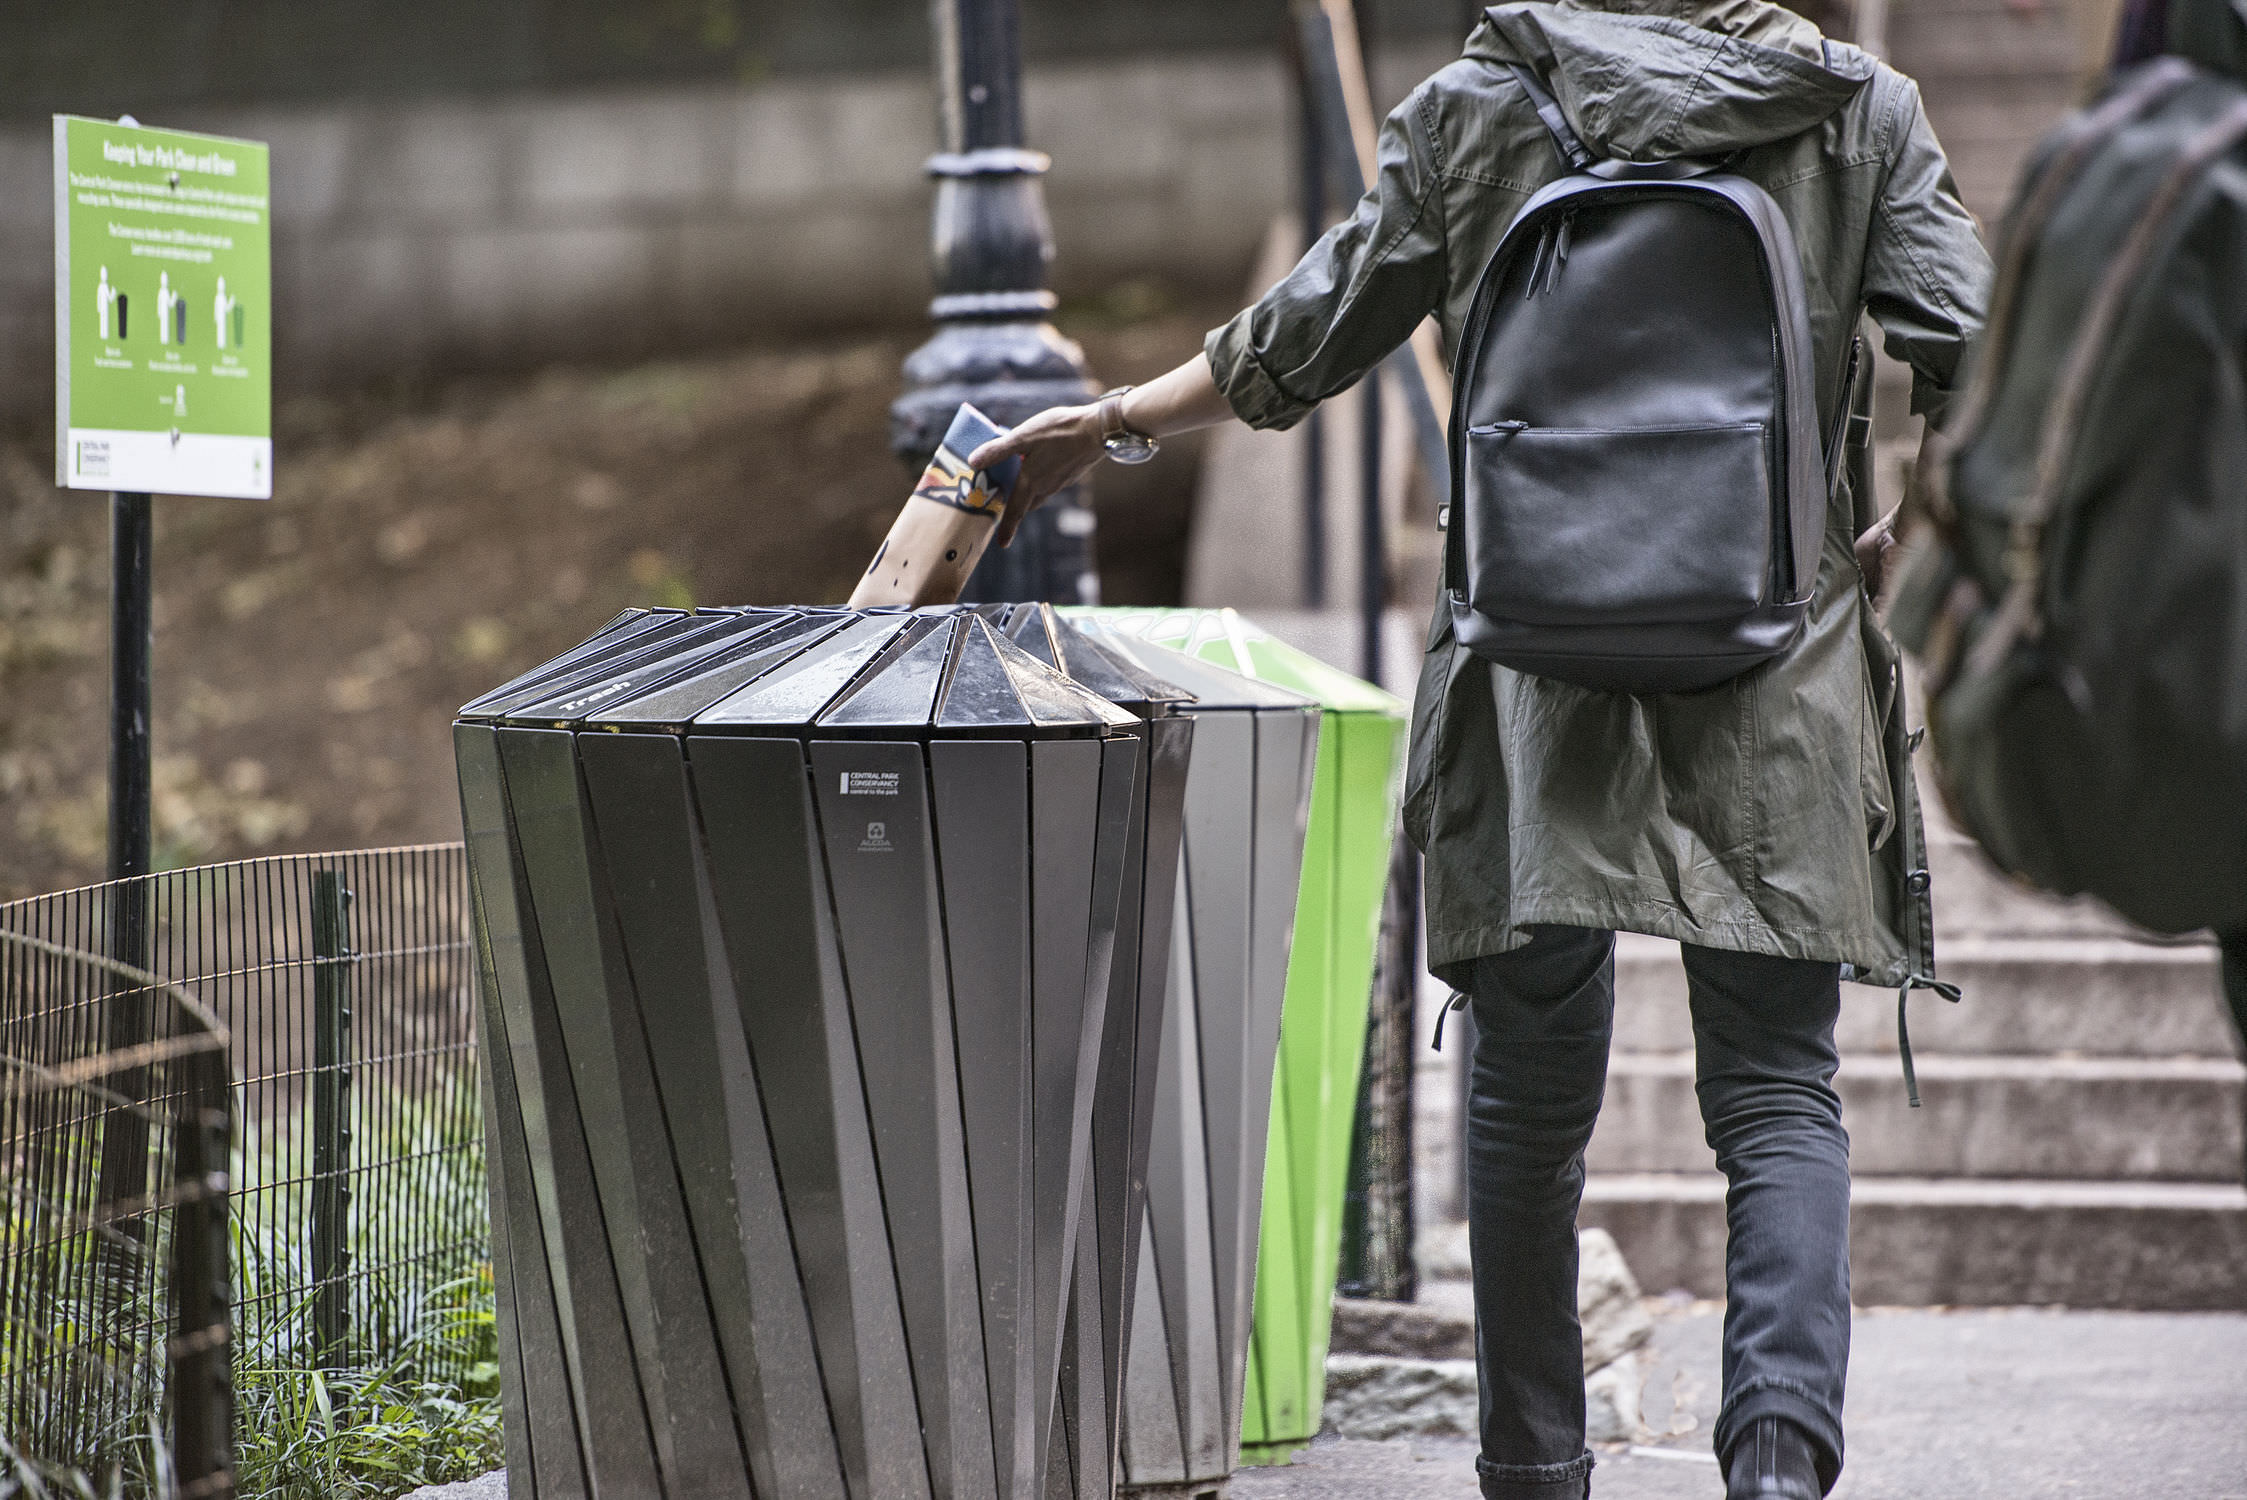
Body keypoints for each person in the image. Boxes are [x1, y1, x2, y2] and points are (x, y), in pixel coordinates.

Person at [976, 3, 1990, 1495]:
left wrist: (1111, 419)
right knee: (1776, 1092)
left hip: (1531, 675)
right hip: (1780, 666)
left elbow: (1308, 338)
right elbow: (1980, 350)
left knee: (1523, 1100)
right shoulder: (1857, 111)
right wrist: (1911, 529)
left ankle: (1533, 1468)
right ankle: (1777, 1465)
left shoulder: (1478, 107)